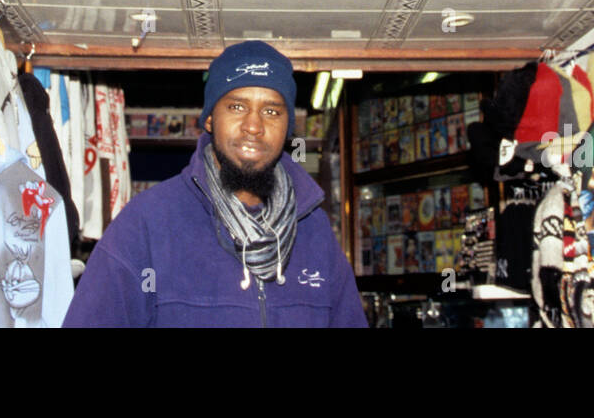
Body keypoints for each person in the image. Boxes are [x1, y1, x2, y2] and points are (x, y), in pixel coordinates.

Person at [63, 40, 367, 327]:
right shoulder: (147, 222)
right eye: (237, 107)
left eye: (271, 111)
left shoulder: (314, 231)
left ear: (288, 128)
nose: (253, 126)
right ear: (209, 119)